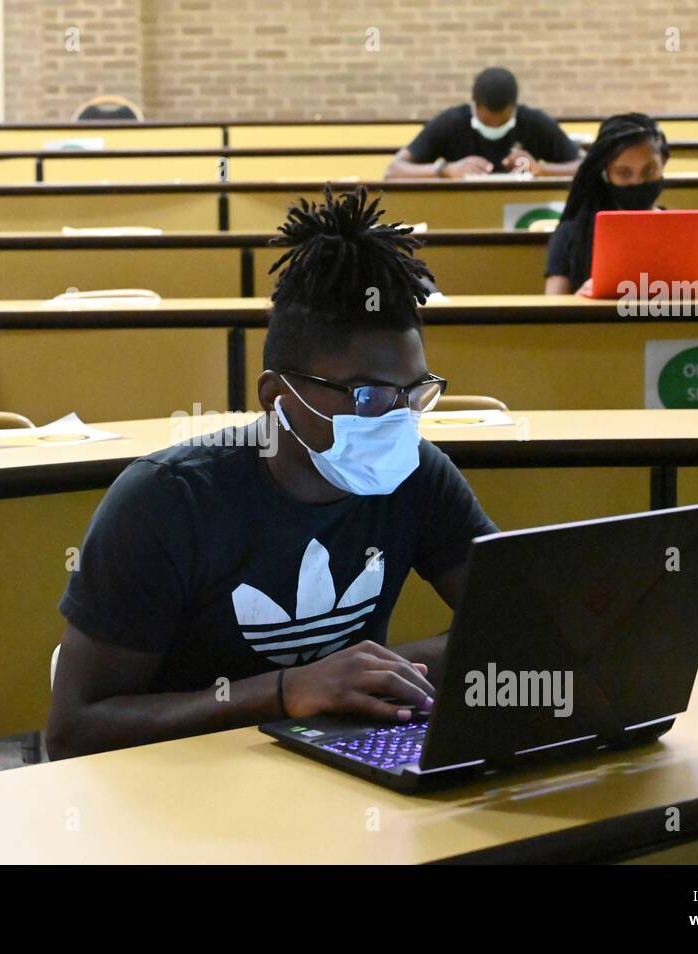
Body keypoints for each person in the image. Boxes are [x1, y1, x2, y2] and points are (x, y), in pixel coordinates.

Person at [47, 186, 499, 760]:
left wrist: (373, 674)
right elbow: (73, 730)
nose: (398, 422)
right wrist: (289, 691)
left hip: (340, 764)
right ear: (277, 396)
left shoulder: (416, 475)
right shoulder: (166, 501)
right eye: (368, 398)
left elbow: (513, 618)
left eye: (415, 395)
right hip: (181, 785)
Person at [544, 113, 670, 294]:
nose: (637, 181)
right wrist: (582, 299)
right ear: (606, 174)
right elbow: (552, 312)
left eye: (649, 170)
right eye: (624, 173)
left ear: (663, 163)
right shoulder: (571, 234)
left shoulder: (681, 232)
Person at [385, 67, 583, 180]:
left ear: (514, 107)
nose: (495, 126)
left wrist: (543, 170)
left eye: (503, 121)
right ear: (473, 104)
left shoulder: (535, 122)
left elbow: (585, 164)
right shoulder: (451, 122)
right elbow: (393, 170)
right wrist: (445, 170)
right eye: (487, 121)